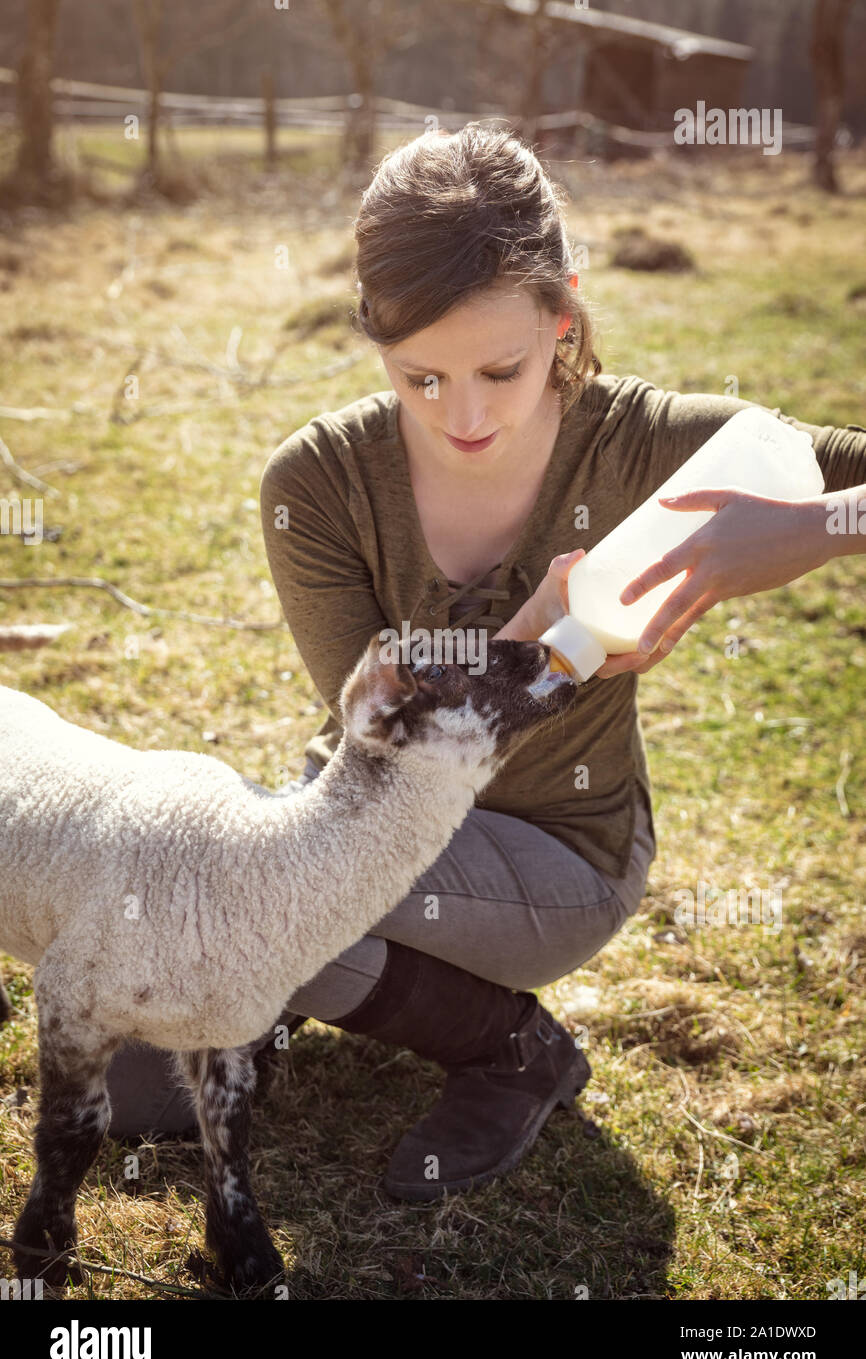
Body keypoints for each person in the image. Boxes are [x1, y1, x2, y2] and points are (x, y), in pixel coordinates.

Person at [106, 125, 866, 1204]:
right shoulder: (317, 480)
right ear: (372, 334)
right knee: (196, 857)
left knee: (288, 895)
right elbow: (381, 732)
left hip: (557, 853)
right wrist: (529, 652)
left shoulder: (654, 443)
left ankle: (512, 1051)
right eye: (419, 374)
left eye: (502, 369)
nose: (462, 416)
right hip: (368, 806)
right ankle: (269, 984)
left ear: (562, 315)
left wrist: (805, 529)